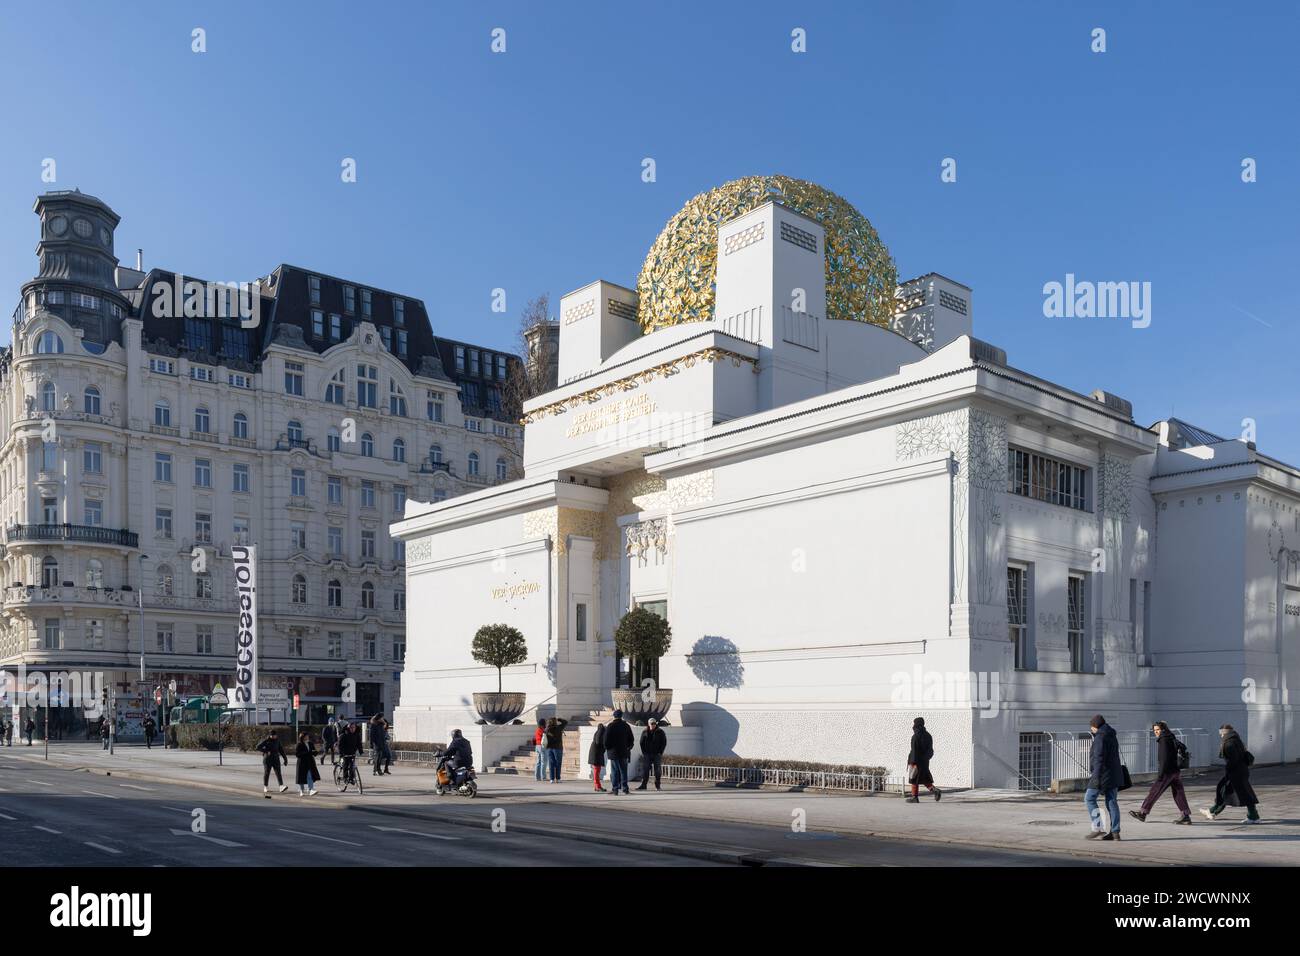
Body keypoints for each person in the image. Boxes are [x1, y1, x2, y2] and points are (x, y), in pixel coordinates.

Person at [1129, 722, 1192, 825]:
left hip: (1167, 772)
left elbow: (1164, 758)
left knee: (1154, 792)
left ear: (1163, 729)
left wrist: (1161, 774)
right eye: (1154, 730)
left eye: (1158, 729)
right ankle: (1185, 816)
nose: (1156, 732)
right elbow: (1182, 746)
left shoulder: (1163, 739)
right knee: (1179, 793)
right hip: (1175, 771)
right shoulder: (1171, 736)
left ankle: (1142, 813)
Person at [1201, 724, 1260, 823]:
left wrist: (1228, 770)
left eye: (1221, 734)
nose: (1220, 736)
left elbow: (1233, 760)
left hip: (1235, 772)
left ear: (1224, 732)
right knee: (1226, 792)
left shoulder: (1229, 743)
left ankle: (1254, 816)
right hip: (1241, 770)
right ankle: (1212, 811)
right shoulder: (1237, 740)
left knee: (1242, 794)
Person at [1084, 714, 1124, 841]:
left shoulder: (1100, 737)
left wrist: (1096, 777)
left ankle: (1098, 828)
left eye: (1091, 727)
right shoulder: (1111, 735)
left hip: (1102, 775)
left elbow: (1099, 758)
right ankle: (1115, 832)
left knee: (1089, 798)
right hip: (1114, 774)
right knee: (1112, 801)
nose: (1091, 730)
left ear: (1095, 726)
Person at [905, 717, 941, 803]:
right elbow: (930, 750)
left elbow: (914, 750)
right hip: (925, 762)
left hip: (916, 761)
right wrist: (926, 758)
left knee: (914, 779)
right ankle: (935, 790)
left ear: (916, 725)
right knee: (924, 779)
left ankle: (915, 797)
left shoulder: (915, 736)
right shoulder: (928, 735)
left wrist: (913, 762)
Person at [604, 709, 634, 795]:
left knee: (615, 771)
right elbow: (631, 739)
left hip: (613, 752)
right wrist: (628, 747)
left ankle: (615, 789)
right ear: (621, 716)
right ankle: (625, 789)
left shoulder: (610, 726)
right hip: (624, 752)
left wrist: (608, 748)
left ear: (614, 716)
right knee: (623, 771)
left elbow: (605, 740)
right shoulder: (626, 726)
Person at [636, 718, 667, 791]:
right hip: (647, 754)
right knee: (646, 770)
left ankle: (658, 785)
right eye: (652, 723)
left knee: (657, 770)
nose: (653, 725)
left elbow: (664, 743)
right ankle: (644, 785)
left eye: (654, 723)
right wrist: (644, 752)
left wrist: (660, 752)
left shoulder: (660, 732)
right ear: (648, 724)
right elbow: (641, 743)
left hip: (657, 754)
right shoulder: (644, 731)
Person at [257, 730, 289, 794]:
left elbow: (281, 750)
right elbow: (258, 747)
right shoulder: (266, 740)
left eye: (274, 735)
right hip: (267, 759)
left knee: (278, 773)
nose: (273, 736)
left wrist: (285, 759)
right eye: (272, 735)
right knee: (267, 773)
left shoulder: (277, 741)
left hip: (276, 759)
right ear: (270, 735)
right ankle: (265, 786)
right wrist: (266, 750)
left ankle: (281, 786)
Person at [295, 730, 320, 796]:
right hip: (302, 763)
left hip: (309, 762)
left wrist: (315, 752)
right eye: (306, 737)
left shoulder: (310, 743)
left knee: (310, 776)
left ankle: (310, 789)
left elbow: (313, 751)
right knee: (301, 777)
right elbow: (297, 754)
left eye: (307, 736)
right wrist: (307, 753)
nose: (307, 738)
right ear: (302, 737)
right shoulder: (299, 744)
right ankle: (301, 790)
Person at [543, 716, 568, 782]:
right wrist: (559, 719)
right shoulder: (559, 728)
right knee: (558, 763)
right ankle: (558, 778)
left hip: (549, 748)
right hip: (558, 748)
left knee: (551, 763)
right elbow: (565, 722)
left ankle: (551, 779)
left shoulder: (546, 729)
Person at [588, 722, 607, 792]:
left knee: (596, 771)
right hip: (596, 754)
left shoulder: (598, 732)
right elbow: (599, 742)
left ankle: (597, 786)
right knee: (596, 771)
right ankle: (598, 786)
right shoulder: (601, 732)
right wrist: (604, 747)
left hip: (595, 754)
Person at [534, 717, 547, 782]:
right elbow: (544, 737)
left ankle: (537, 777)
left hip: (537, 746)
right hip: (542, 746)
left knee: (538, 762)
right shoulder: (541, 730)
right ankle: (543, 777)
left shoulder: (537, 730)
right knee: (543, 762)